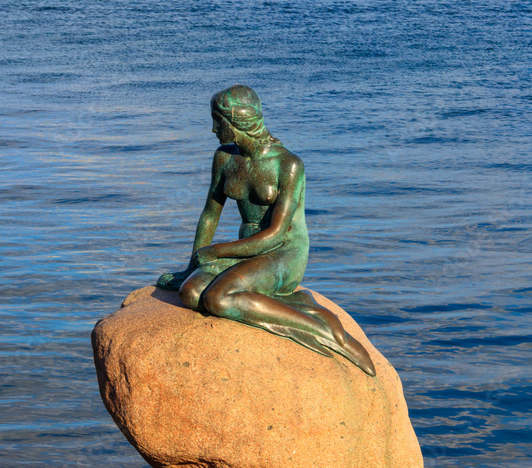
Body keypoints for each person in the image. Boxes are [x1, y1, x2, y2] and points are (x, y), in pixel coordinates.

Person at [156, 85, 376, 376]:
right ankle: (292, 302)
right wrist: (192, 264)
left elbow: (274, 234)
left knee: (217, 298)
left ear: (238, 122)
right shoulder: (224, 158)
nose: (212, 129)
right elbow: (210, 214)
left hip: (284, 251)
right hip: (247, 248)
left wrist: (214, 251)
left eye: (217, 121)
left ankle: (323, 330)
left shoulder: (288, 164)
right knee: (191, 291)